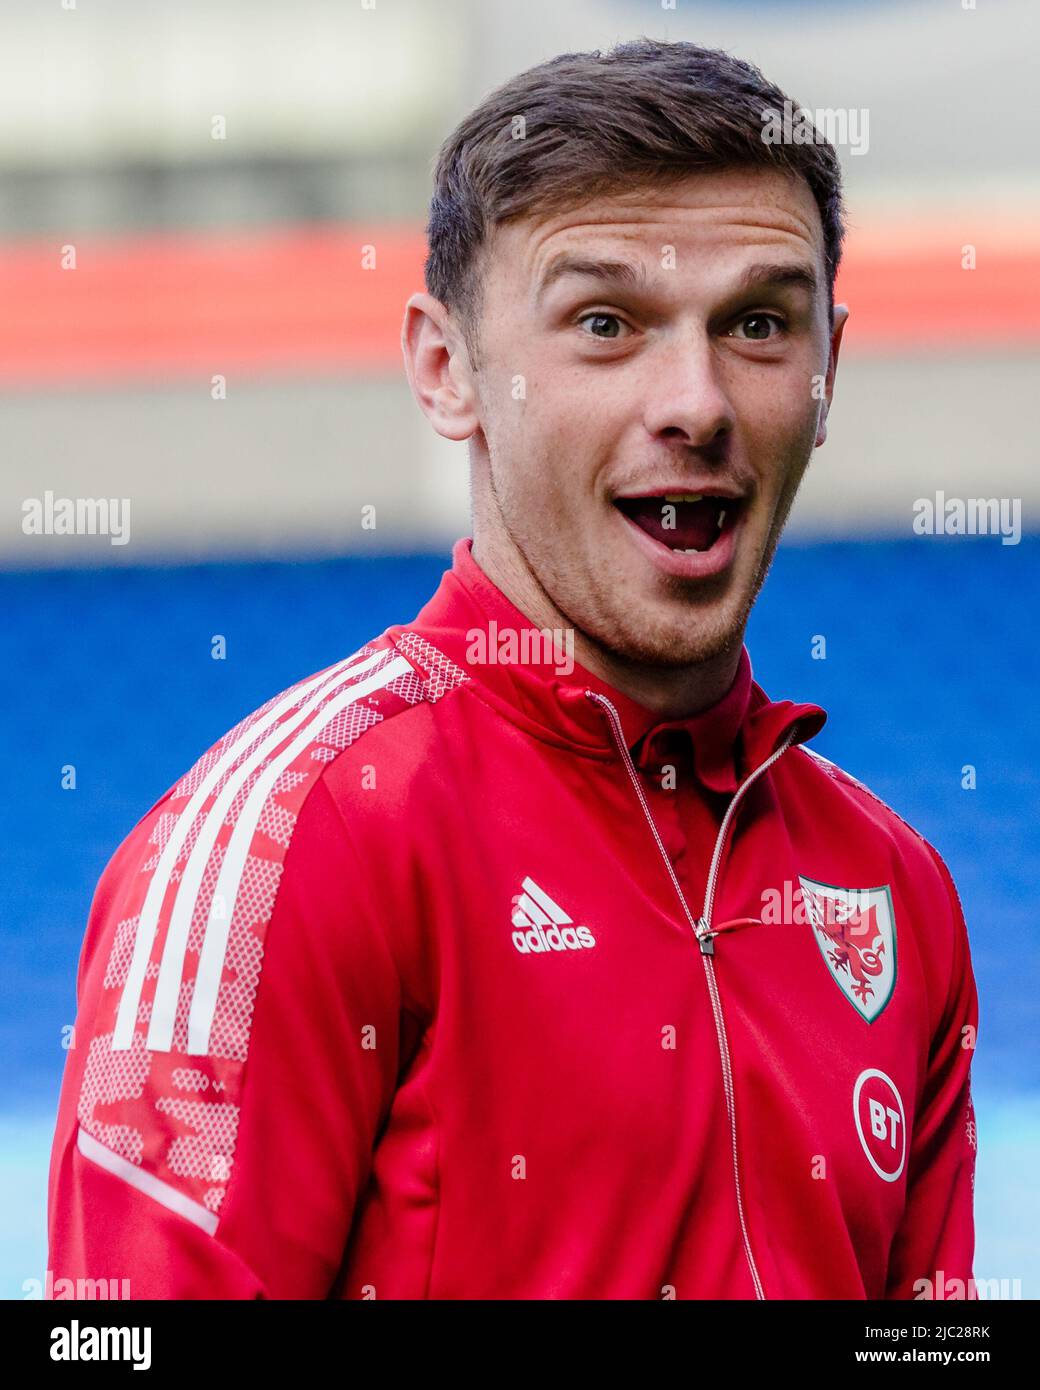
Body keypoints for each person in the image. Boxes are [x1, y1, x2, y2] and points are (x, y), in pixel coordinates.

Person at [48, 38, 978, 1300]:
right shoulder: (286, 844)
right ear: (447, 370)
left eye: (758, 322)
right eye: (605, 324)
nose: (694, 402)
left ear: (825, 371)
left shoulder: (894, 889)